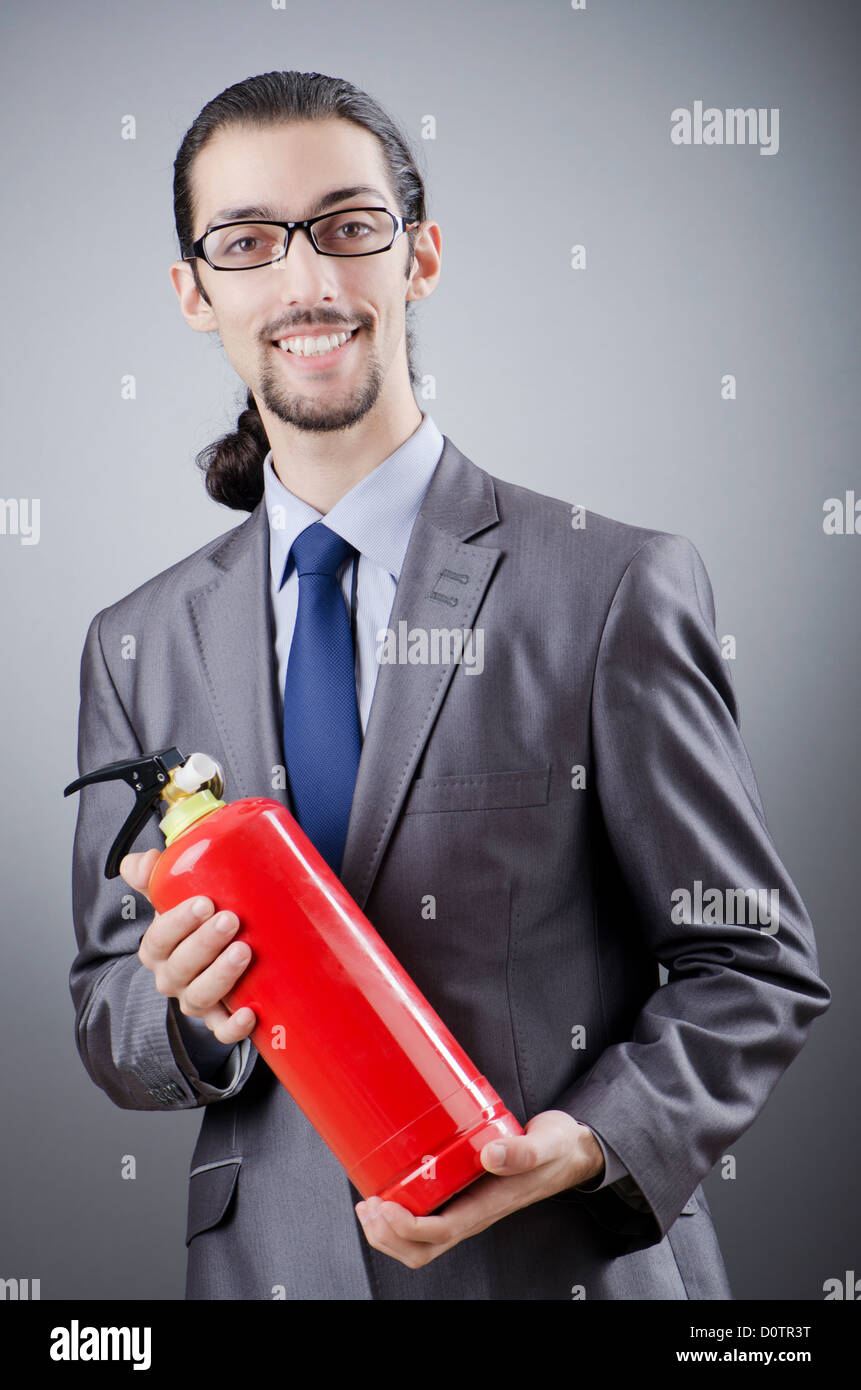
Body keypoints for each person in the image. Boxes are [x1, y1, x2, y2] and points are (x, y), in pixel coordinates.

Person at [68, 70, 831, 1301]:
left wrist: (582, 1146)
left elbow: (752, 958)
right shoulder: (136, 641)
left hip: (557, 1269)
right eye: (250, 242)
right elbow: (109, 999)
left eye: (349, 226)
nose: (308, 280)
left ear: (418, 257)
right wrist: (196, 1017)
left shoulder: (611, 582)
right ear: (194, 291)